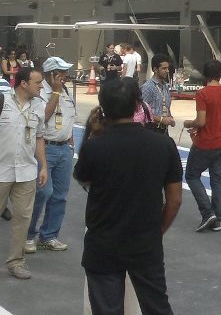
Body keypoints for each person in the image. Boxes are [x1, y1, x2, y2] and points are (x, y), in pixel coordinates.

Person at [74, 77, 182, 313]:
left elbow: (83, 178)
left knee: (106, 307)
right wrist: (158, 229)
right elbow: (174, 199)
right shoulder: (163, 145)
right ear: (137, 105)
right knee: (156, 304)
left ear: (103, 106)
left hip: (103, 240)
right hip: (145, 240)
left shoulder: (95, 146)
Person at [0, 67, 47, 279]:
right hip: (1, 170)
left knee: (23, 218)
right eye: (38, 82)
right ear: (24, 83)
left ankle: (16, 262)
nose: (41, 86)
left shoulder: (39, 106)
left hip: (26, 172)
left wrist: (43, 166)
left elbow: (39, 138)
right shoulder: (3, 101)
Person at [27, 57, 76, 254]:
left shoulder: (66, 91)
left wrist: (70, 139)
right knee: (43, 192)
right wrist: (55, 91)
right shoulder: (42, 92)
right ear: (51, 74)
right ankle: (29, 234)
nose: (64, 75)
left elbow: (69, 116)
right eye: (60, 72)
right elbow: (45, 117)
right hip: (46, 147)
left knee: (60, 196)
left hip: (64, 148)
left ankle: (48, 236)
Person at [182, 60, 221, 233]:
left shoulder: (202, 93)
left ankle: (207, 212)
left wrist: (189, 122)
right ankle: (217, 219)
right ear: (220, 74)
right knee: (217, 180)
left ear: (205, 74)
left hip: (204, 142)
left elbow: (201, 120)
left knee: (192, 175)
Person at [140, 54, 175, 135]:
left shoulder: (165, 86)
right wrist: (161, 119)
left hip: (164, 130)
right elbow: (142, 112)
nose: (167, 71)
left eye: (167, 68)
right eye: (164, 68)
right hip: (151, 130)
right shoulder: (147, 87)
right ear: (155, 69)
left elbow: (165, 107)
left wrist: (170, 118)